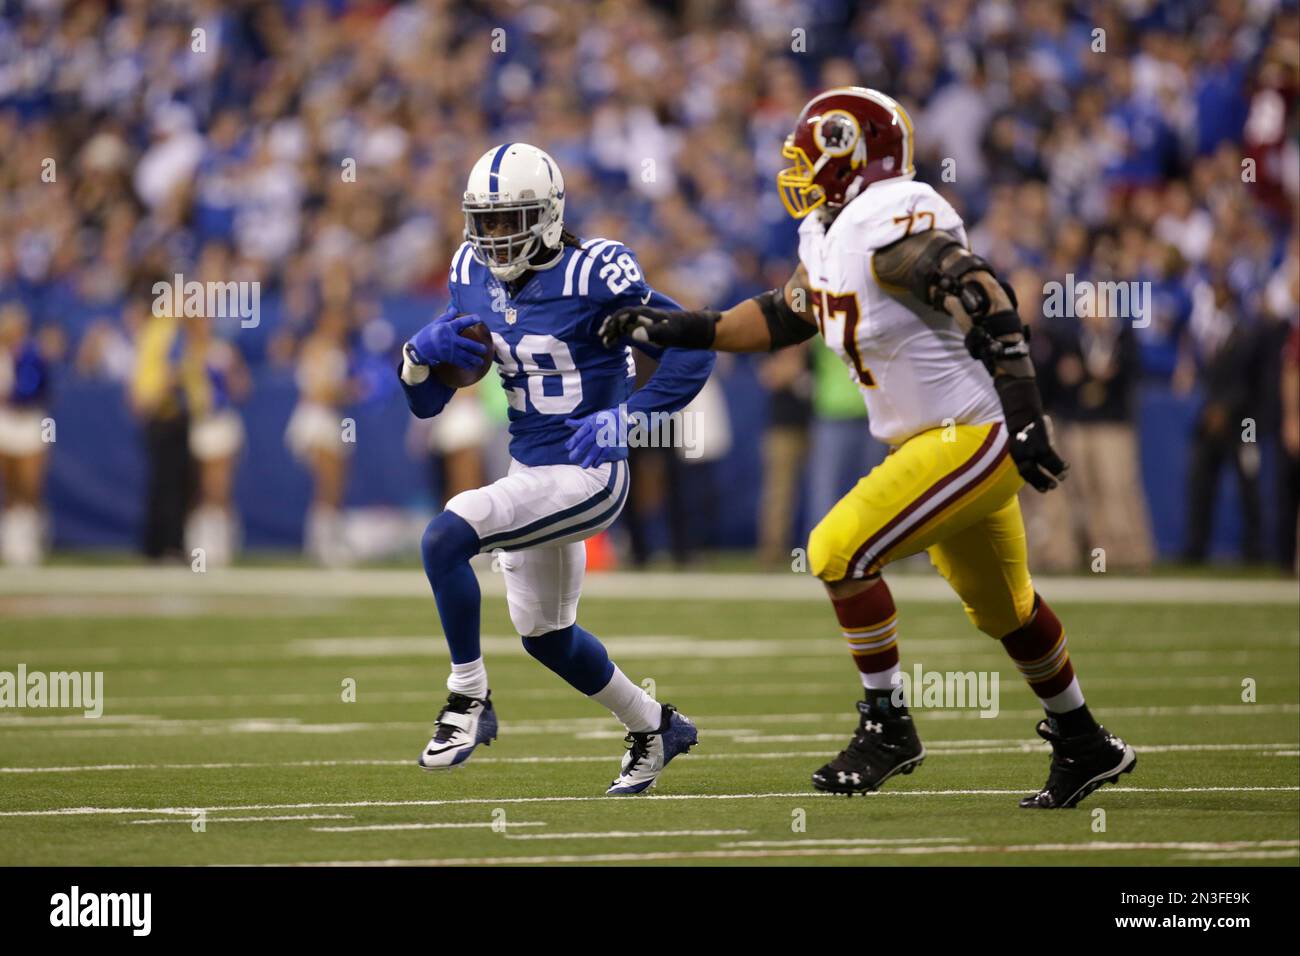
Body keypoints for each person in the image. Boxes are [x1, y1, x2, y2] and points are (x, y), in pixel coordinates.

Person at [602, 88, 1135, 809]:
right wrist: (684, 328)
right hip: (936, 440)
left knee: (837, 549)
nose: (795, 171)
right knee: (1003, 609)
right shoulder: (832, 231)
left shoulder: (887, 217)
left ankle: (888, 726)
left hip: (971, 433)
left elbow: (979, 288)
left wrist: (1027, 413)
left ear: (851, 153)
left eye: (807, 156)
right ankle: (1084, 742)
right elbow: (787, 313)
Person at [400, 143, 714, 794]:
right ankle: (656, 727)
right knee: (546, 636)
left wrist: (630, 417)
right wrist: (415, 358)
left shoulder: (594, 273)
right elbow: (429, 403)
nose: (492, 236)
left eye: (507, 219)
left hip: (590, 472)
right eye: (482, 221)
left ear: (546, 215)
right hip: (530, 472)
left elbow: (692, 346)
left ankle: (467, 699)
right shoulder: (468, 272)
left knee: (445, 537)